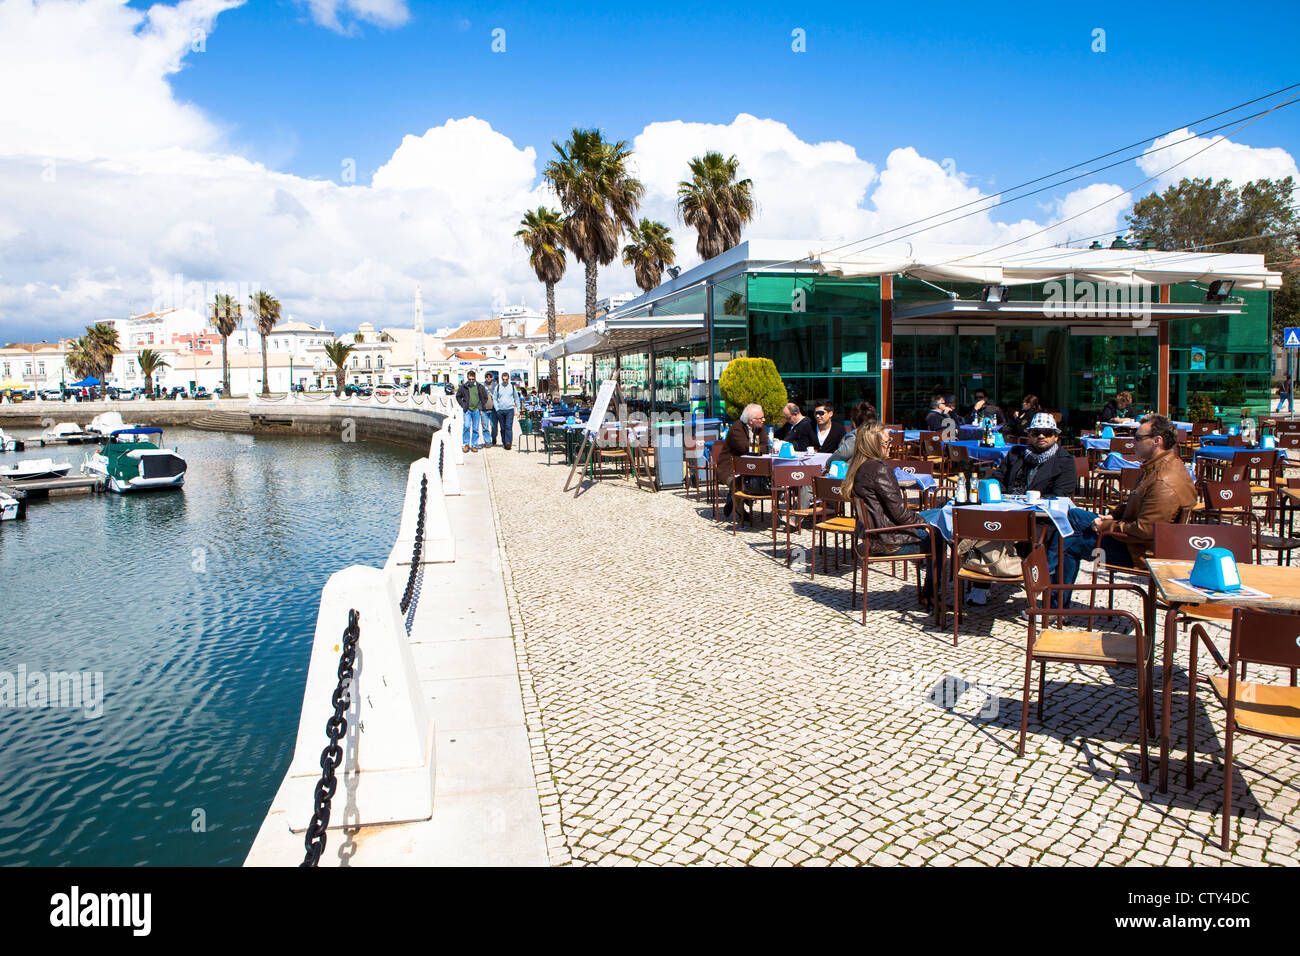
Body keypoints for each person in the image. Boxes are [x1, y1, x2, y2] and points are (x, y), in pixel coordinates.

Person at [1060, 414, 1196, 599]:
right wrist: (1114, 515)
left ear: (1157, 441)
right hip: (1133, 538)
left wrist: (1106, 526)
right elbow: (1140, 502)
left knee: (1067, 543)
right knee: (1073, 515)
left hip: (1138, 552)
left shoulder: (1163, 480)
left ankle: (1055, 605)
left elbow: (1146, 529)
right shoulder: (1160, 465)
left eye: (1138, 438)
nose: (1133, 442)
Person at [841, 423, 943, 611]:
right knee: (940, 535)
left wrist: (923, 519)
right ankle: (932, 594)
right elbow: (899, 513)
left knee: (938, 514)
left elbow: (894, 512)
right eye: (887, 443)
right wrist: (923, 524)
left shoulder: (859, 467)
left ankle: (931, 592)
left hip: (872, 534)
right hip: (886, 540)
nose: (890, 446)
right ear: (874, 445)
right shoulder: (879, 468)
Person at [990, 412, 1077, 497]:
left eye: (1047, 433)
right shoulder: (1015, 453)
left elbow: (1061, 494)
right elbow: (998, 478)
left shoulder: (1065, 461)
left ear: (1056, 437)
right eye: (1036, 432)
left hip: (1043, 508)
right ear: (1029, 435)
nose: (1041, 436)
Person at [716, 403, 770, 519]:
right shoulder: (736, 429)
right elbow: (745, 449)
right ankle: (739, 509)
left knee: (764, 482)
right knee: (739, 483)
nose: (763, 420)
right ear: (751, 421)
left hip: (753, 468)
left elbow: (766, 447)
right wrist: (758, 448)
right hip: (730, 468)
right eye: (761, 418)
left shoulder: (761, 427)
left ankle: (732, 498)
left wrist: (757, 448)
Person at [455, 371, 489, 453]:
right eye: (469, 379)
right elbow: (458, 396)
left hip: (476, 410)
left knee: (475, 428)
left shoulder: (479, 386)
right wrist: (463, 405)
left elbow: (485, 397)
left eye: (472, 379)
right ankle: (466, 444)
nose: (471, 381)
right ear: (467, 378)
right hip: (467, 410)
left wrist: (480, 406)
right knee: (466, 426)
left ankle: (474, 445)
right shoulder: (463, 387)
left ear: (475, 378)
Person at [491, 373, 519, 450]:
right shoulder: (498, 387)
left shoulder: (512, 387)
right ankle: (504, 442)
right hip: (500, 410)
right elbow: (494, 398)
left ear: (508, 379)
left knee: (508, 427)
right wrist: (497, 408)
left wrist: (518, 410)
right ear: (501, 379)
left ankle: (508, 443)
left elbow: (516, 398)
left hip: (509, 409)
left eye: (506, 379)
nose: (505, 381)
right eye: (503, 379)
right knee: (502, 427)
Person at [482, 371, 499, 445]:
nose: (488, 378)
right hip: (484, 410)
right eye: (487, 376)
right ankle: (488, 442)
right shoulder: (482, 386)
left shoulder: (496, 386)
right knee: (485, 427)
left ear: (492, 378)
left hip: (493, 410)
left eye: (490, 376)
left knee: (494, 426)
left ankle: (494, 437)